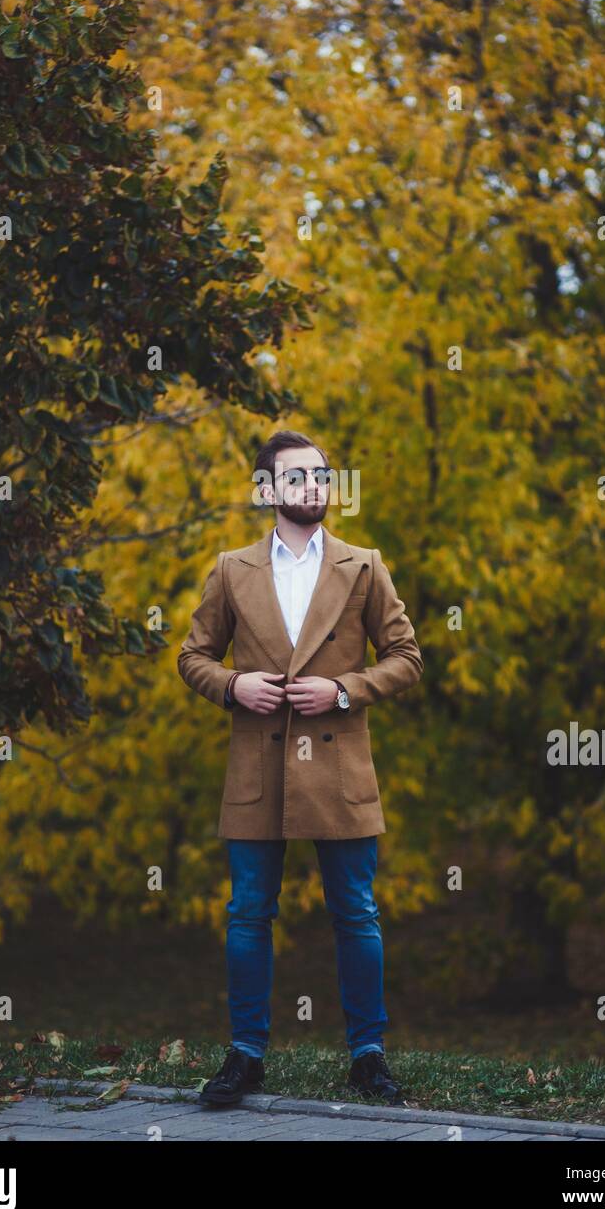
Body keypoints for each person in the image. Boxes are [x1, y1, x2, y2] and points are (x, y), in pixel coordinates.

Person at [177, 429, 423, 1107]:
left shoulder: (364, 565)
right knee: (249, 913)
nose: (315, 486)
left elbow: (406, 656)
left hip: (340, 764)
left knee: (356, 911)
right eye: (299, 478)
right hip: (258, 765)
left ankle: (368, 1056)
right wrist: (233, 687)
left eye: (322, 475)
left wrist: (344, 688)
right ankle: (246, 1056)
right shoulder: (231, 570)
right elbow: (192, 656)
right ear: (268, 491)